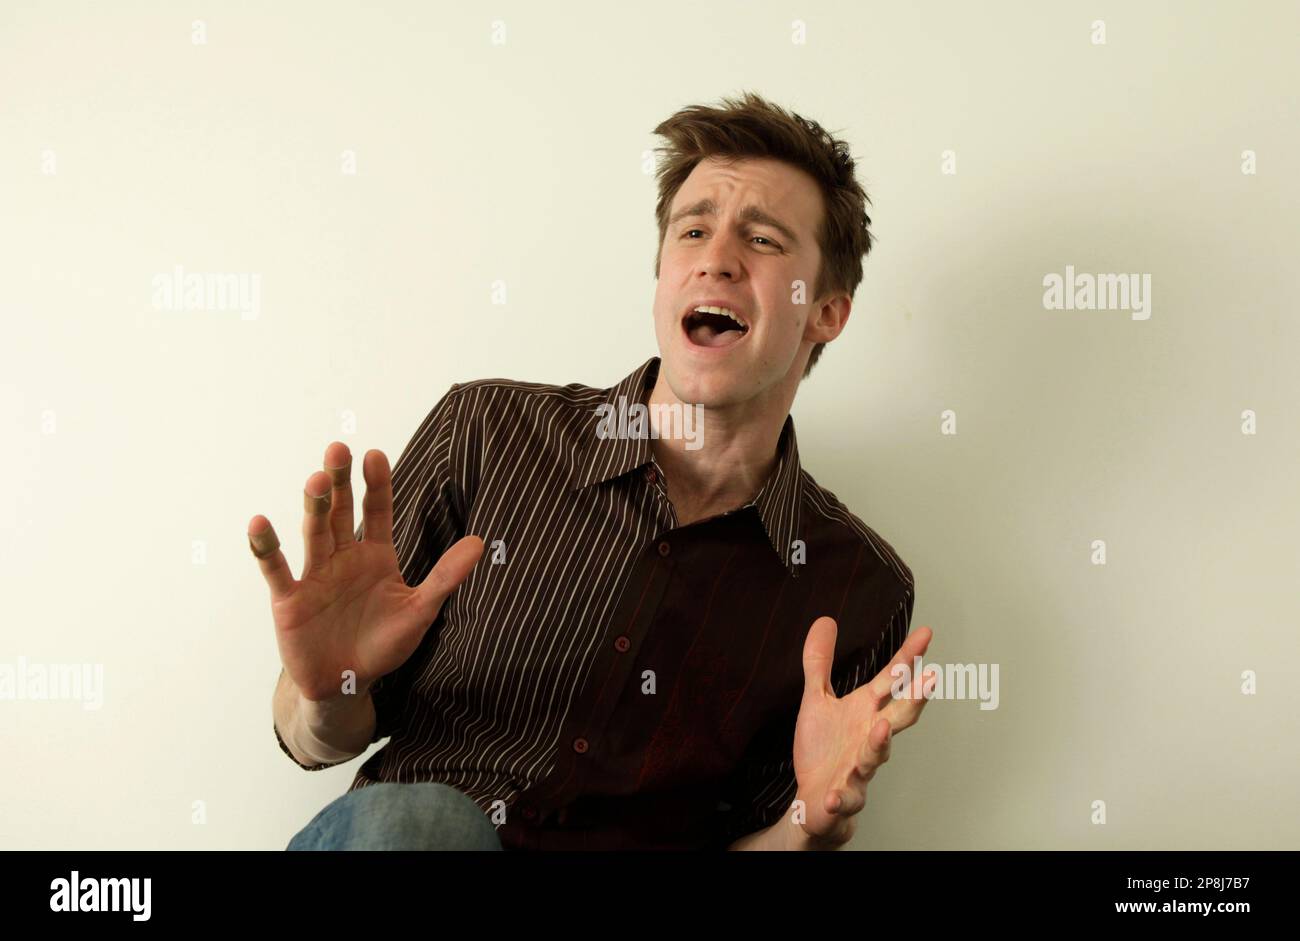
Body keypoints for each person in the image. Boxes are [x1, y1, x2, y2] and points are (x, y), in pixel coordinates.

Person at [252, 91, 937, 851]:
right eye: (694, 229)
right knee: (416, 824)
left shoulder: (860, 588)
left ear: (827, 313)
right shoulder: (486, 433)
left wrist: (806, 825)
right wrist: (326, 692)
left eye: (765, 240)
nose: (716, 257)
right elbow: (319, 739)